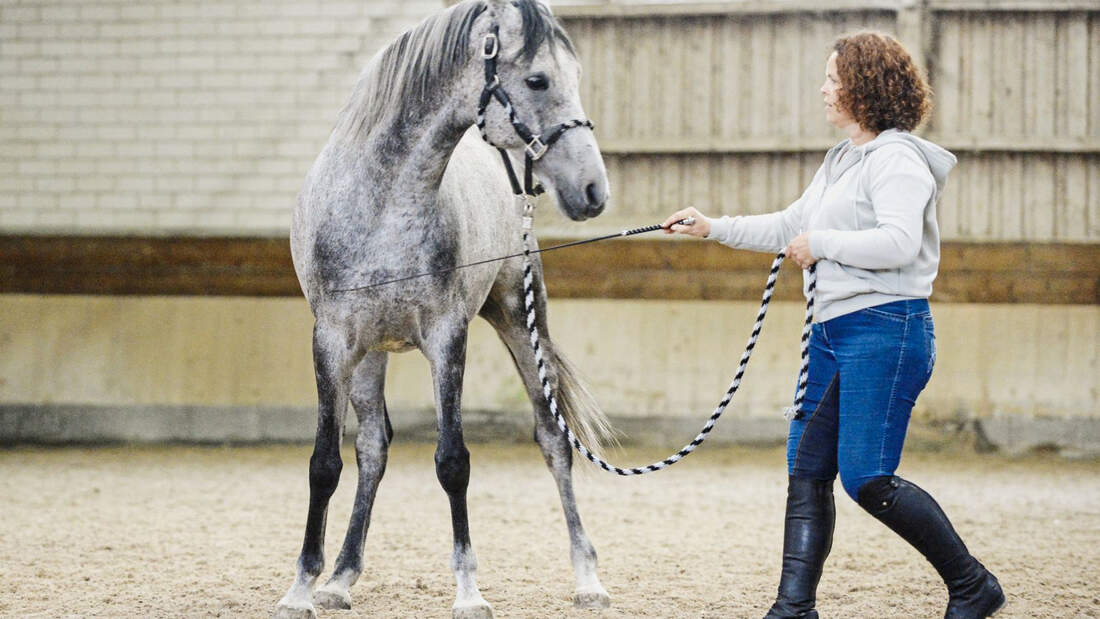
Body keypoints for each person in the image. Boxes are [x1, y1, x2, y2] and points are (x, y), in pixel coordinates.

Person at [662, 31, 1004, 619]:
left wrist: (821, 243)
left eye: (832, 79)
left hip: (886, 329)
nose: (823, 89)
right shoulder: (841, 160)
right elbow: (788, 225)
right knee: (807, 469)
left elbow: (898, 242)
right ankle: (793, 608)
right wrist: (712, 226)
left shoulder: (897, 160)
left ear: (864, 86)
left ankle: (973, 585)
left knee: (867, 478)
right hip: (832, 332)